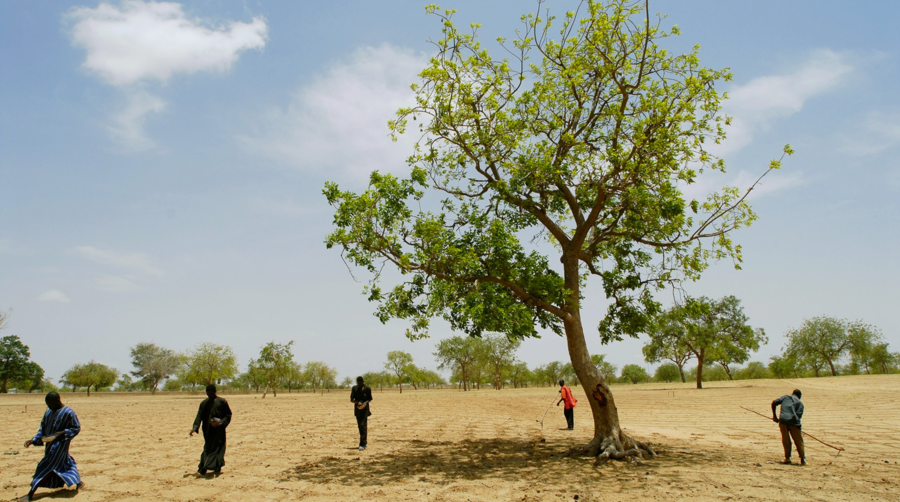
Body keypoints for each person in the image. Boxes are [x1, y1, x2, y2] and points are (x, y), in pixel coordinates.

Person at [23, 392, 83, 501]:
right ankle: (78, 482)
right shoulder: (48, 413)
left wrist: (63, 433)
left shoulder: (69, 412)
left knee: (43, 467)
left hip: (61, 445)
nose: (49, 406)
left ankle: (30, 494)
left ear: (57, 401)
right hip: (49, 445)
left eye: (50, 404)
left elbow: (76, 428)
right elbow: (42, 429)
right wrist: (33, 439)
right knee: (66, 464)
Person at [189, 383, 232, 476]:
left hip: (219, 430)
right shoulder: (204, 403)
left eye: (211, 394)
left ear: (215, 392)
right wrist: (195, 427)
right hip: (208, 430)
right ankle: (202, 469)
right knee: (208, 448)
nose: (209, 395)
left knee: (219, 448)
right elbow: (199, 416)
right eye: (208, 394)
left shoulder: (222, 402)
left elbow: (228, 415)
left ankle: (215, 467)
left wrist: (221, 423)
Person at [772, 389, 806, 466]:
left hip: (783, 421)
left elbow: (774, 403)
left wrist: (775, 416)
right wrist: (798, 427)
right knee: (798, 440)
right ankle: (802, 459)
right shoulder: (800, 403)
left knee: (786, 440)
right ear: (799, 396)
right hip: (793, 422)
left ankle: (787, 458)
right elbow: (798, 416)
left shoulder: (785, 397)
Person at [350, 376, 373, 451]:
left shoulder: (367, 389)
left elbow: (370, 398)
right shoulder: (354, 389)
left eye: (361, 382)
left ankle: (362, 444)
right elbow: (351, 400)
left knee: (363, 426)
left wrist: (365, 403)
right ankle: (364, 442)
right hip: (357, 410)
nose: (360, 384)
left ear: (363, 382)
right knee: (360, 426)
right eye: (359, 383)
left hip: (365, 410)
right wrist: (358, 403)